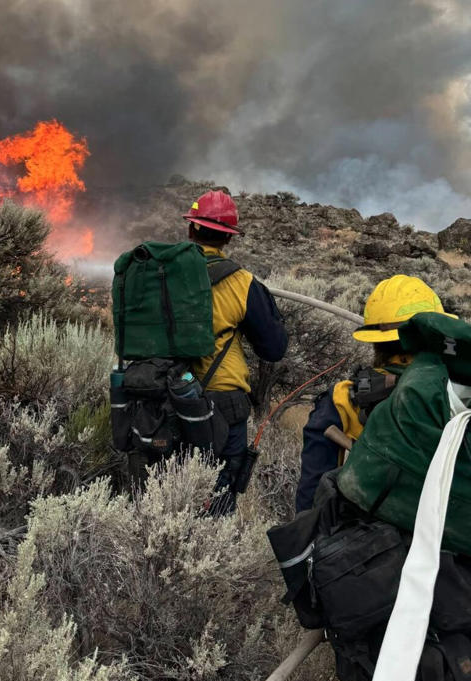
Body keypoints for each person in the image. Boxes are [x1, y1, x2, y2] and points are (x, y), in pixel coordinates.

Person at [295, 275, 448, 513]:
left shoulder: (343, 399)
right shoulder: (457, 392)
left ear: (376, 342)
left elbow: (312, 499)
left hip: (370, 533)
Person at [183, 190, 288, 512]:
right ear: (229, 237)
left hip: (161, 396)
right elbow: (274, 348)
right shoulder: (242, 283)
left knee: (162, 490)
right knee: (218, 498)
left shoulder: (160, 271)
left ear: (191, 228)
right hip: (221, 402)